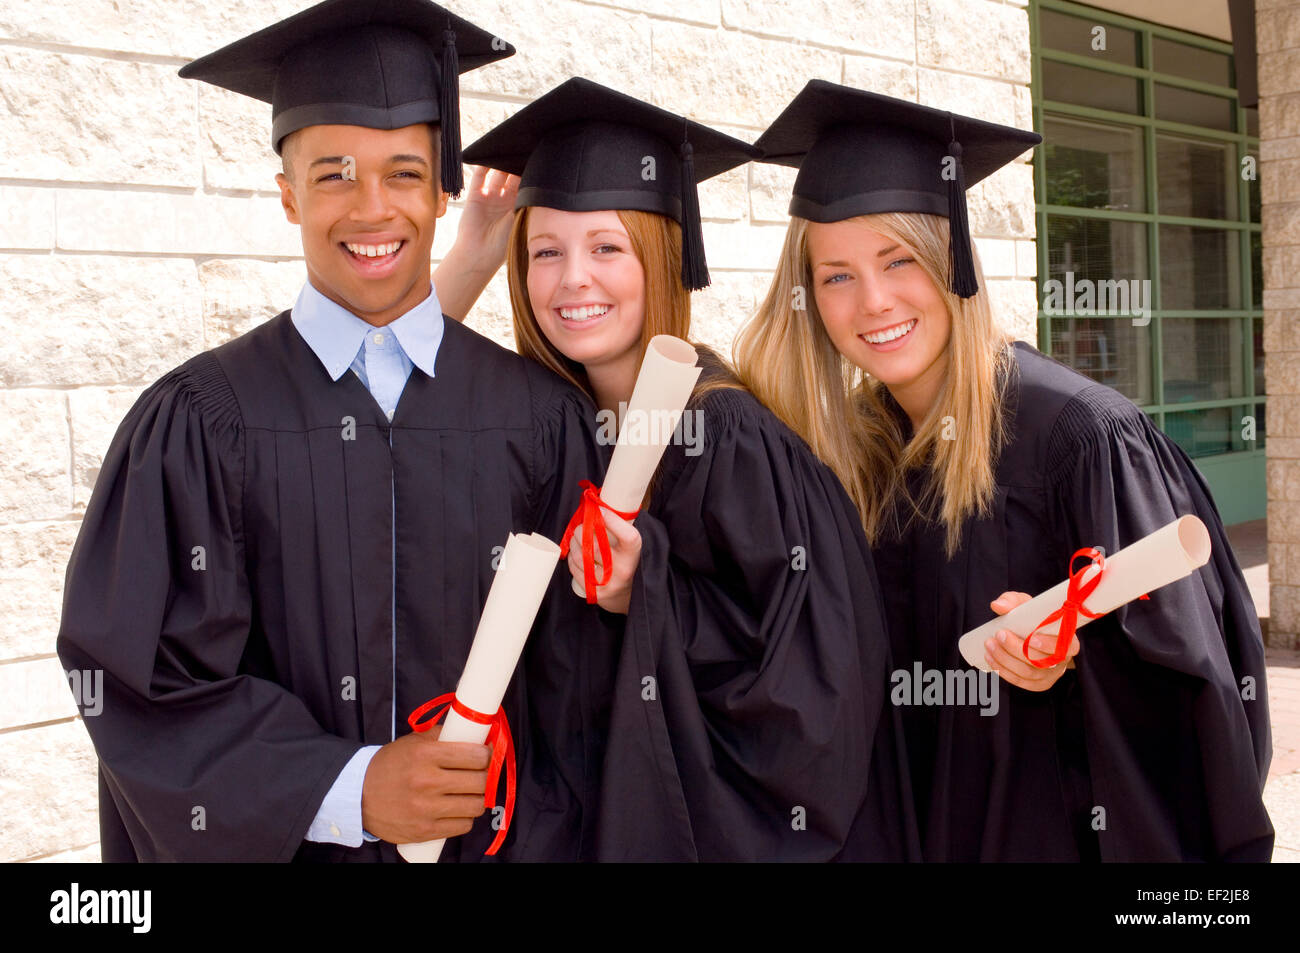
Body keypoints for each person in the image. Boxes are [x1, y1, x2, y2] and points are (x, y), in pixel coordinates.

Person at [55, 0, 608, 862]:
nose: (371, 207)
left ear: (441, 189)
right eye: (334, 173)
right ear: (287, 195)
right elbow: (140, 678)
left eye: (403, 172)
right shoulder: (199, 422)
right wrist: (345, 787)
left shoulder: (540, 418)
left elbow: (585, 702)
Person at [732, 79, 1275, 861]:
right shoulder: (855, 450)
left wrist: (1074, 666)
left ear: (952, 259)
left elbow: (1202, 695)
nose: (873, 300)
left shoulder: (1082, 440)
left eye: (898, 258)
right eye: (837, 275)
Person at [454, 77, 921, 861]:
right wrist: (470, 256)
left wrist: (651, 591)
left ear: (665, 257)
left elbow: (817, 687)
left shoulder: (724, 435)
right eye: (545, 252)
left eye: (607, 247)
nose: (574, 279)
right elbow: (387, 410)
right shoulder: (545, 420)